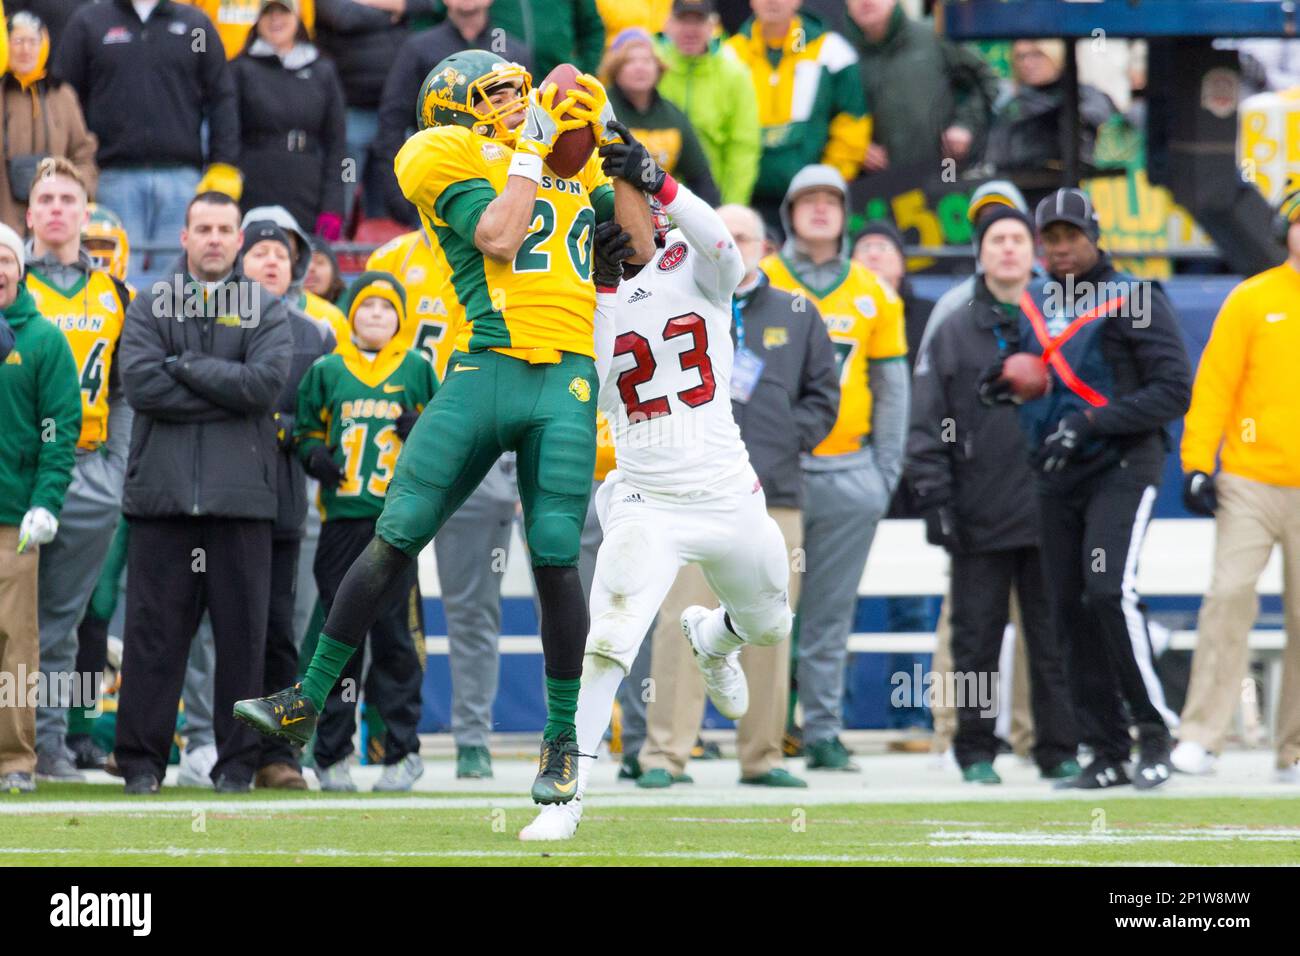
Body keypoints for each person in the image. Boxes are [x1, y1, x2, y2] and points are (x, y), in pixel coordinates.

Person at [234, 51, 620, 804]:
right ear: (455, 105)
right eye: (500, 91)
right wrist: (535, 149)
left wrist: (621, 153)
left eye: (520, 88)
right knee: (396, 529)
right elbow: (501, 237)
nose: (520, 97)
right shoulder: (436, 150)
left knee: (553, 558)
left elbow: (636, 243)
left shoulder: (553, 149)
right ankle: (307, 699)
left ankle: (563, 740)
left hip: (567, 375)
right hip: (484, 367)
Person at [520, 146, 796, 841]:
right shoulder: (588, 295)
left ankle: (713, 637)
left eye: (639, 200)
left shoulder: (693, 268)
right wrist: (608, 289)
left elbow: (728, 250)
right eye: (622, 205)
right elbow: (601, 384)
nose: (632, 215)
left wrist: (662, 180)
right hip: (647, 493)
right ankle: (563, 801)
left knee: (770, 625)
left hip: (728, 489)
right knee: (609, 638)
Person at [637, 201, 839, 789]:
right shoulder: (678, 299)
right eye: (717, 233)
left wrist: (781, 442)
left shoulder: (799, 312)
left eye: (740, 235)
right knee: (679, 620)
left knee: (770, 622)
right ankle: (665, 755)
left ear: (765, 247)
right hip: (690, 487)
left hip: (772, 492)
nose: (727, 242)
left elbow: (824, 395)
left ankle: (763, 756)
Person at [1007, 187, 1191, 790]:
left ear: (1094, 236)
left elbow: (1172, 391)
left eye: (1070, 236)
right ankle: (1106, 749)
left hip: (1120, 465)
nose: (1060, 249)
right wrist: (1001, 385)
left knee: (1108, 590)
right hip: (1055, 472)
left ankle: (1155, 732)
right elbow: (1025, 373)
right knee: (1066, 609)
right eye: (1051, 239)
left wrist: (1090, 422)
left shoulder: (1135, 297)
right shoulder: (1033, 301)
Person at [114, 191, 292, 795]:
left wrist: (184, 366)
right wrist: (223, 388)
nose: (214, 239)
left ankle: (237, 766)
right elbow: (140, 384)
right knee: (152, 640)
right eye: (203, 228)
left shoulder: (266, 310)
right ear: (184, 237)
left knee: (242, 644)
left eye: (224, 229)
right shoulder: (147, 305)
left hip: (241, 504)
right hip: (161, 503)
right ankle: (140, 764)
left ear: (238, 240)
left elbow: (264, 387)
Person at [907, 206, 1079, 784]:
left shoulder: (1061, 320)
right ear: (980, 252)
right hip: (978, 510)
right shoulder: (956, 325)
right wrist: (934, 497)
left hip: (1052, 508)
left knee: (1053, 640)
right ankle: (975, 751)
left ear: (1032, 252)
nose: (1008, 249)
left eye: (1017, 240)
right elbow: (927, 418)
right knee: (975, 641)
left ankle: (1058, 749)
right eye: (996, 240)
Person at [760, 164, 908, 772]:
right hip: (774, 475)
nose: (820, 209)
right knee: (762, 613)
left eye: (832, 200)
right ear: (789, 211)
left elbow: (893, 389)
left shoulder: (874, 292)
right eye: (808, 199)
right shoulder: (760, 280)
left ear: (846, 214)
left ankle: (821, 730)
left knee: (829, 613)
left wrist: (883, 476)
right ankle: (762, 739)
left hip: (848, 470)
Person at [365, 227, 519, 779]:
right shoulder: (392, 257)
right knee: (369, 597)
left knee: (473, 609)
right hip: (389, 453)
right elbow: (356, 351)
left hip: (479, 447)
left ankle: (473, 737)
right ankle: (363, 740)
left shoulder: (508, 246)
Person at [1172, 190, 1300, 782]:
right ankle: (1202, 735)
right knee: (1228, 598)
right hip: (1248, 480)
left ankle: (1294, 749)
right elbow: (1215, 386)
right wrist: (1198, 463)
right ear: (1284, 232)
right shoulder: (1252, 299)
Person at [294, 271, 436, 791]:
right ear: (351, 313)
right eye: (366, 305)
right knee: (339, 639)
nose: (375, 314)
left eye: (386, 307)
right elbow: (305, 426)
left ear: (400, 318)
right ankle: (331, 754)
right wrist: (312, 452)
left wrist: (420, 426)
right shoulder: (329, 369)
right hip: (343, 522)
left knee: (397, 639)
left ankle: (402, 749)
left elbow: (447, 432)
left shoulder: (418, 369)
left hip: (397, 524)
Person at [24, 159, 131, 782]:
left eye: (69, 197)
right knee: (15, 618)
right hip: (20, 471)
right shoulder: (13, 287)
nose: (58, 208)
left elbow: (124, 393)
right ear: (30, 213)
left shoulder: (115, 294)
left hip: (89, 470)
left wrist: (114, 470)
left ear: (85, 212)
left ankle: (47, 744)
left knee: (63, 625)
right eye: (47, 198)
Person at [239, 220, 334, 789]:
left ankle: (277, 756)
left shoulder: (316, 333)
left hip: (283, 500)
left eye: (282, 253)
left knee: (279, 629)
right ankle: (210, 743)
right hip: (219, 501)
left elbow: (320, 420)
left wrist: (287, 432)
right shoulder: (210, 319)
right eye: (260, 252)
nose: (272, 261)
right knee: (215, 631)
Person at [53, 0, 241, 286]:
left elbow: (221, 94)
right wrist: (76, 169)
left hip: (182, 179)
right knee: (115, 281)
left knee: (180, 287)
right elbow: (64, 97)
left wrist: (223, 163)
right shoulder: (89, 22)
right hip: (113, 178)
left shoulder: (196, 26)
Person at [0, 220, 81, 794]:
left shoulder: (45, 340)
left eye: (4, 260)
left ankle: (14, 760)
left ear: (20, 268)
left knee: (16, 643)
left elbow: (60, 432)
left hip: (12, 520)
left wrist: (45, 502)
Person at [372, 0, 531, 225]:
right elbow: (392, 122)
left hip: (504, 182)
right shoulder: (418, 48)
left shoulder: (514, 50)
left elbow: (527, 120)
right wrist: (400, 198)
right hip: (442, 180)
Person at [726, 0, 867, 229]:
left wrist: (826, 183)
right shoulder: (730, 54)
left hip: (811, 203)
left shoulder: (830, 50)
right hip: (744, 202)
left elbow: (852, 122)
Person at [231, 0, 347, 239]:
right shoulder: (239, 69)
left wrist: (333, 206)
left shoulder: (323, 71)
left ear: (298, 17)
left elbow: (337, 145)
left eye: (283, 12)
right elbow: (227, 136)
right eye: (268, 13)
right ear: (257, 20)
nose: (275, 19)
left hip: (307, 189)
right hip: (253, 187)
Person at [843, 0, 998, 176]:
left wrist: (965, 125)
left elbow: (986, 79)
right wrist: (854, 147)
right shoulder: (839, 54)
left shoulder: (934, 34)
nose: (865, 1)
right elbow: (822, 115)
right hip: (879, 186)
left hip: (946, 173)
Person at [980, 40, 1118, 207]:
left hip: (1085, 194)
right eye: (1020, 57)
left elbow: (1103, 121)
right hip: (1028, 197)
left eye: (1036, 54)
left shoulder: (1085, 96)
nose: (1028, 63)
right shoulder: (1010, 106)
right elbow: (998, 158)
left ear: (1055, 55)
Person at [0, 11, 97, 234]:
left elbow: (83, 153)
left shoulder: (62, 95)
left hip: (53, 226)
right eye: (18, 41)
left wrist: (72, 190)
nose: (26, 50)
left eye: (33, 41)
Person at [656, 0, 759, 207]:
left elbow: (743, 150)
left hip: (710, 203)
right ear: (669, 24)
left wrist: (732, 209)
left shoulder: (735, 76)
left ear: (713, 26)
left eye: (699, 21)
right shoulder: (653, 68)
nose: (690, 30)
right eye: (683, 21)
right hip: (655, 204)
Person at [600, 27, 719, 207]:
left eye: (647, 60)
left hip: (662, 216)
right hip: (611, 208)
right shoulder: (601, 110)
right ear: (615, 69)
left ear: (658, 68)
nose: (640, 67)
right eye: (630, 61)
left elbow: (700, 177)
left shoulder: (672, 115)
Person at [182, 0, 317, 62]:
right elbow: (186, 26)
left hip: (273, 76)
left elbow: (303, 31)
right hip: (216, 75)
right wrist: (200, 58)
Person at [305, 235, 345, 304]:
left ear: (334, 272)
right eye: (304, 263)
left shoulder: (351, 307)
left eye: (319, 262)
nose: (310, 268)